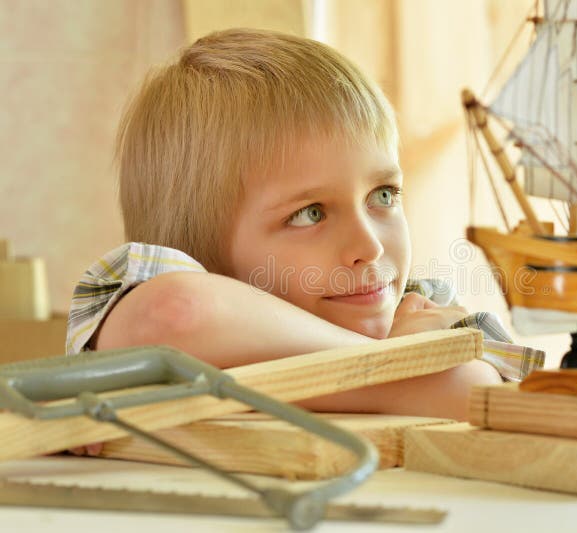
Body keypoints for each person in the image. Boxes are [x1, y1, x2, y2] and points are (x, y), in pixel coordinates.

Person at [66, 29, 510, 454]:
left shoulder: (423, 309)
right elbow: (177, 311)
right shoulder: (133, 297)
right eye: (309, 214)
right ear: (198, 254)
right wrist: (392, 360)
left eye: (383, 196)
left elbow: (476, 389)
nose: (369, 246)